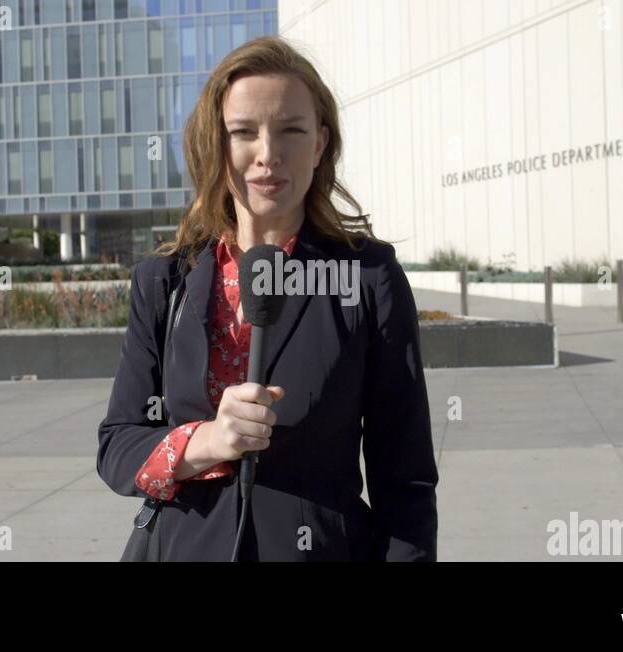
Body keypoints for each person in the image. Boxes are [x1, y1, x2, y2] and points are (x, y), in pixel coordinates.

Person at [97, 36, 438, 561]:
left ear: (321, 143)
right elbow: (118, 449)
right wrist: (207, 441)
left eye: (291, 131)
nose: (267, 155)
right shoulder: (163, 280)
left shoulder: (368, 277)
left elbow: (406, 479)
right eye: (243, 133)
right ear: (217, 145)